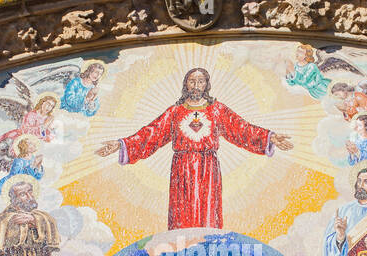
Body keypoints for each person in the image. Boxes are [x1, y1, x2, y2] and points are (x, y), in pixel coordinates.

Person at [95, 68, 293, 230]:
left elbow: (241, 129)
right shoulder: (175, 112)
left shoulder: (217, 110)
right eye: (192, 81)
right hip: (182, 169)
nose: (196, 85)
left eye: (200, 81)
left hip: (208, 168)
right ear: (186, 84)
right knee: (182, 211)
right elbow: (151, 133)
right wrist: (121, 144)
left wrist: (269, 137)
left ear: (206, 84)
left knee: (207, 210)